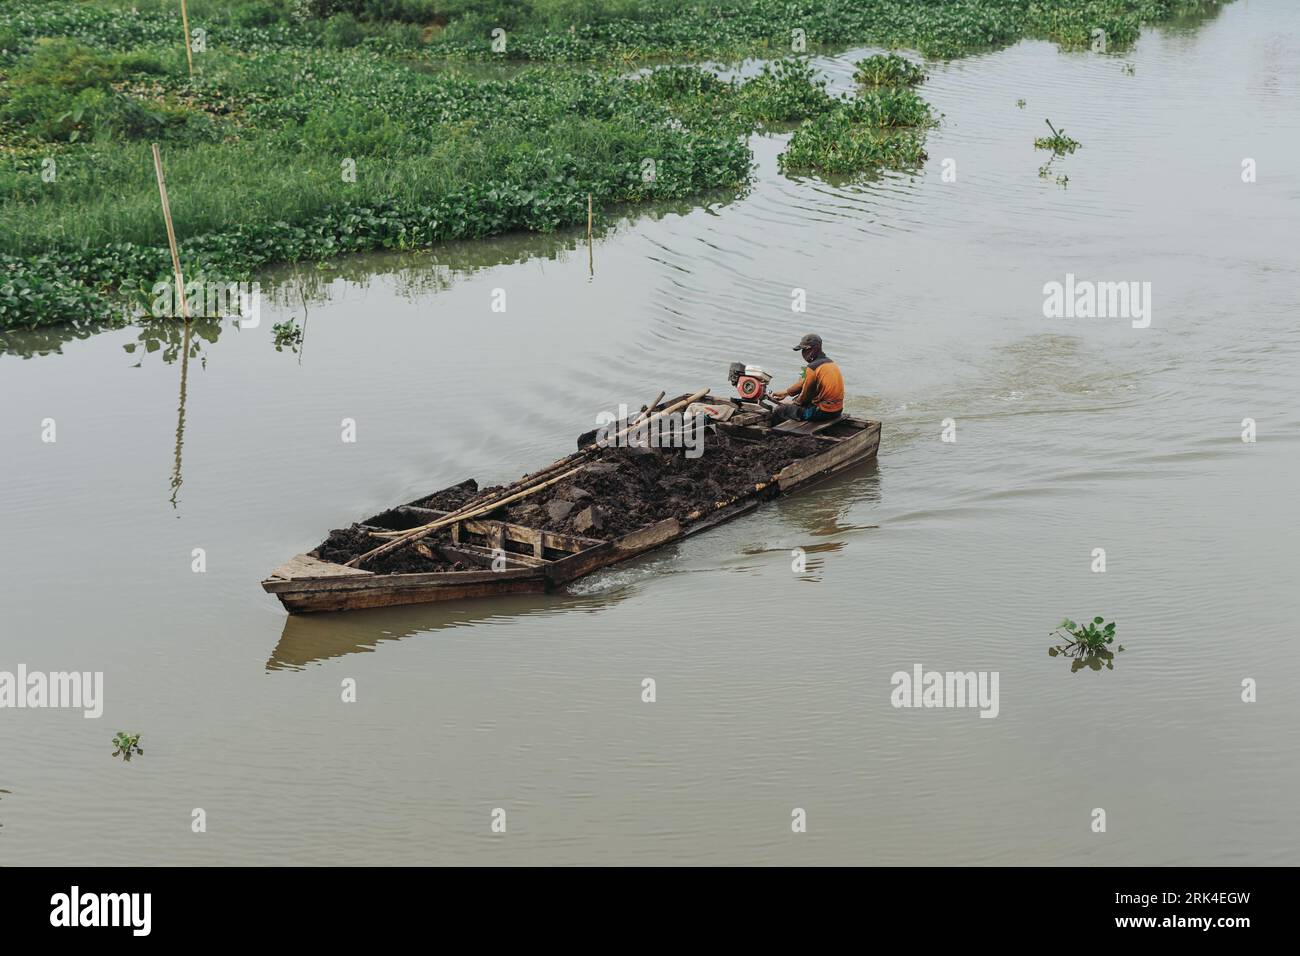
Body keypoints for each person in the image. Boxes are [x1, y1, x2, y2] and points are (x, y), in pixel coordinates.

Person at [769, 333, 844, 424]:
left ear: (813, 349)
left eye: (804, 350)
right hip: (837, 410)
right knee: (793, 405)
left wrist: (792, 403)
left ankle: (773, 434)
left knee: (780, 410)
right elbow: (803, 383)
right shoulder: (829, 363)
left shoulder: (813, 367)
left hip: (823, 412)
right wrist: (786, 392)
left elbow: (805, 396)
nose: (803, 354)